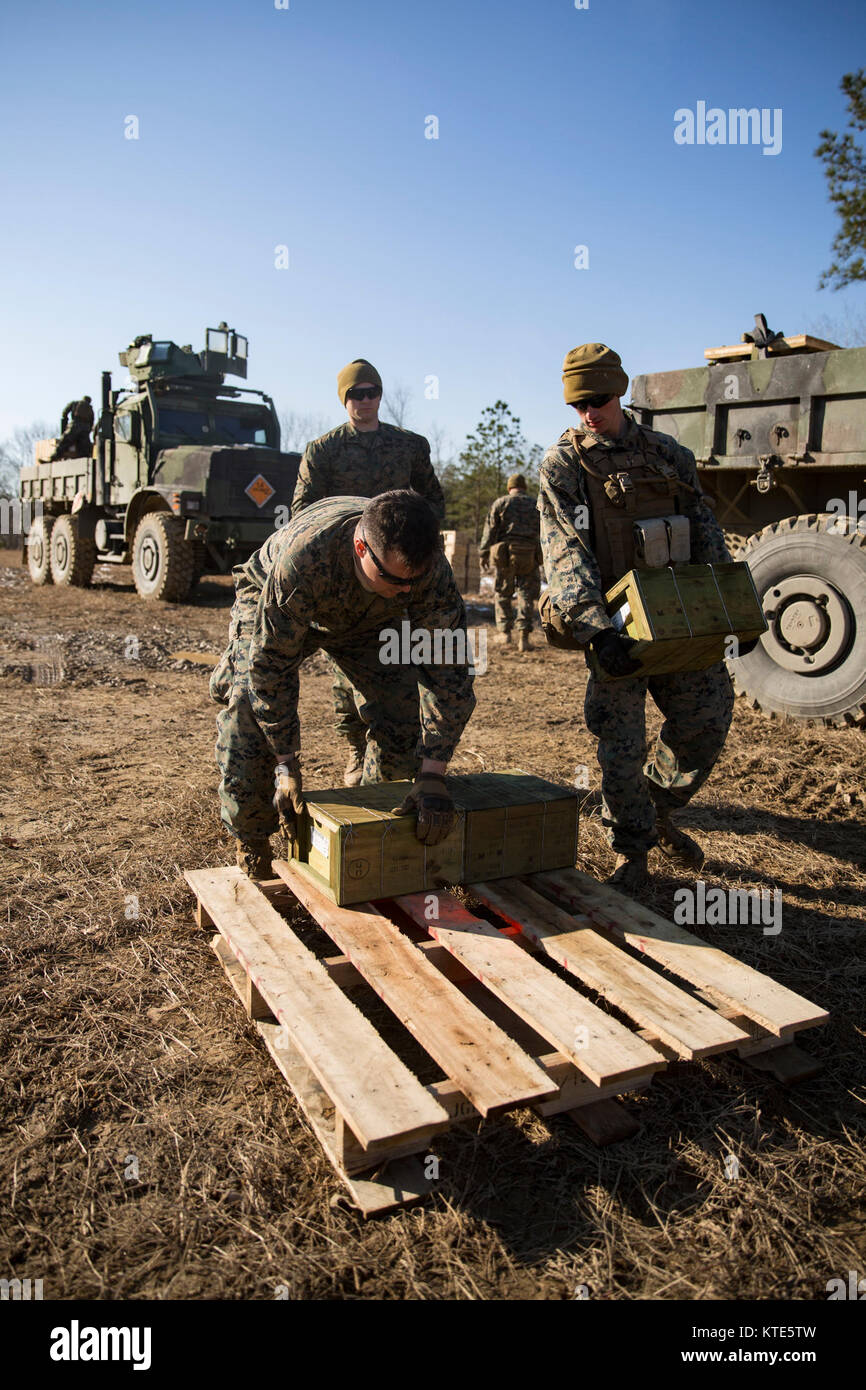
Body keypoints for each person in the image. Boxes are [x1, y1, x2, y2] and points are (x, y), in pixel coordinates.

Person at [538, 343, 734, 893]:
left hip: (675, 612)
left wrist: (723, 602)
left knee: (707, 718)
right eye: (578, 405)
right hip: (612, 622)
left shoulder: (668, 455)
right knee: (621, 743)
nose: (588, 414)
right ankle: (632, 850)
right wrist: (596, 630)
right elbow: (564, 551)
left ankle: (656, 808)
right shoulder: (565, 464)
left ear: (619, 391)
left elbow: (703, 527)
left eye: (597, 400)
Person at [210, 489, 476, 879]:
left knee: (401, 716)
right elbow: (271, 668)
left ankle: (371, 833)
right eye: (395, 578)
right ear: (360, 547)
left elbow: (448, 673)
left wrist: (433, 773)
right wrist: (285, 762)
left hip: (373, 620)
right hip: (279, 598)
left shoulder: (426, 573)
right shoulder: (303, 561)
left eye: (413, 582)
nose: (407, 589)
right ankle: (252, 843)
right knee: (247, 705)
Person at [291, 359, 446, 786]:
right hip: (346, 573)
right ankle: (356, 750)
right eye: (356, 394)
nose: (365, 401)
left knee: (395, 662)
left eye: (371, 392)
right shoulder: (324, 450)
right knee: (345, 667)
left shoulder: (409, 446)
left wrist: (418, 545)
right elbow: (304, 514)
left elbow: (432, 498)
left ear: (380, 396)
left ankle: (395, 753)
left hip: (397, 575)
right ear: (345, 399)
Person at [478, 473, 543, 652]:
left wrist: (483, 553)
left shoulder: (501, 503)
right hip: (529, 555)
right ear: (524, 487)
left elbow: (490, 529)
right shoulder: (535, 504)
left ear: (509, 487)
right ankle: (524, 637)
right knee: (526, 595)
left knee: (503, 593)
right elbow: (544, 530)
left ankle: (505, 633)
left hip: (506, 555)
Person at [48, 396, 94, 461]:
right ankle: (85, 461)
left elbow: (65, 412)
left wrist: (65, 421)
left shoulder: (75, 403)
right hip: (85, 429)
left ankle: (54, 457)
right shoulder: (90, 409)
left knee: (64, 441)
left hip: (75, 425)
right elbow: (91, 422)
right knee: (85, 448)